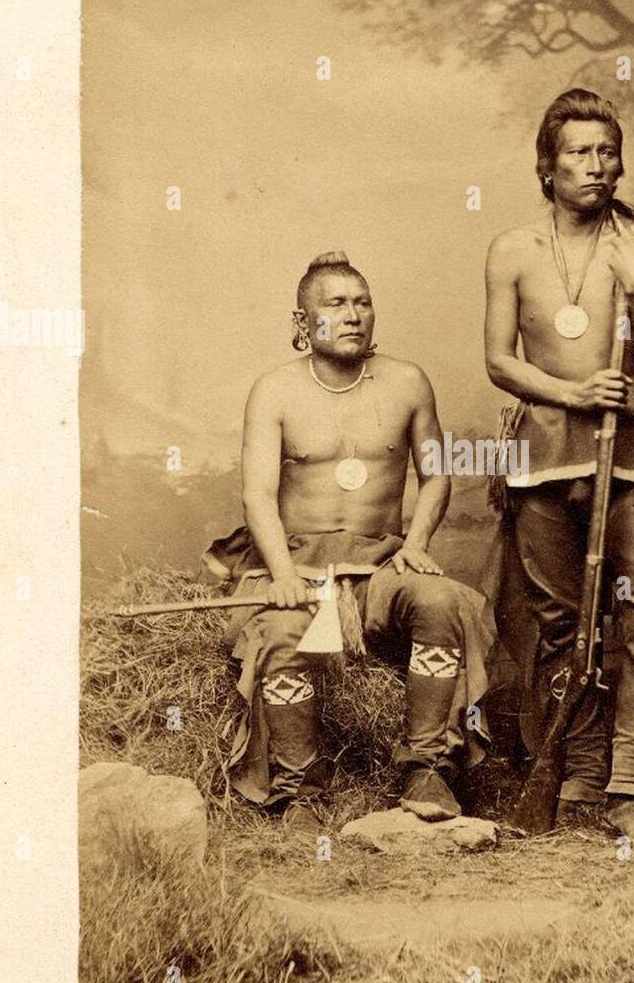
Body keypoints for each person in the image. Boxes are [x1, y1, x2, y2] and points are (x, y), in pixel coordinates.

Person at [204, 251, 492, 833]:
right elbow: (257, 494)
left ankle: (427, 766)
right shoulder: (273, 390)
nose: (354, 314)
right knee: (282, 633)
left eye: (362, 302)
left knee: (443, 602)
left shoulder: (408, 381)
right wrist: (282, 574)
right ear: (301, 322)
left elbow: (436, 474)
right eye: (336, 304)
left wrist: (416, 541)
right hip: (299, 565)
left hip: (379, 564)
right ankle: (300, 789)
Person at [483, 89, 634, 839]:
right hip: (545, 455)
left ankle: (632, 789)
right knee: (555, 624)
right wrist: (573, 389)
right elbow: (498, 362)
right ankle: (573, 772)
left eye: (606, 151)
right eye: (578, 152)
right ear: (546, 166)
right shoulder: (511, 249)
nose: (595, 166)